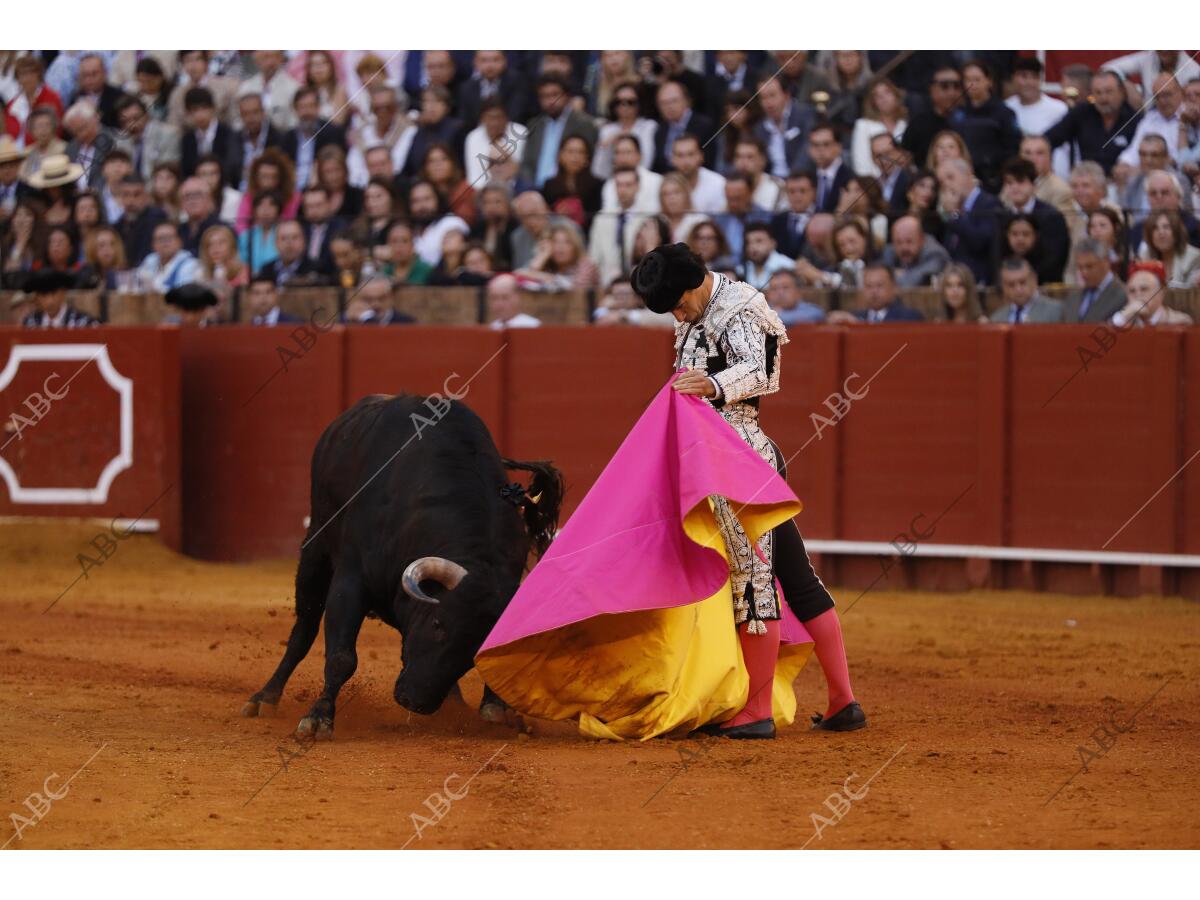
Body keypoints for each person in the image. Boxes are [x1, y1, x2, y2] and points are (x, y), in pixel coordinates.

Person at [630, 242, 865, 737]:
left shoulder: (741, 306)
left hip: (740, 461)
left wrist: (711, 386)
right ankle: (844, 701)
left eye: (678, 304)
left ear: (694, 283)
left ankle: (757, 711)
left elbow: (760, 371)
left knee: (754, 579)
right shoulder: (693, 311)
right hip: (717, 459)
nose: (677, 314)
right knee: (795, 577)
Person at [829, 261, 924, 323]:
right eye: (868, 286)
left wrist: (859, 326)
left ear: (894, 288)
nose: (874, 291)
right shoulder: (855, 316)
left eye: (880, 286)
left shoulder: (910, 317)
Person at [1112, 259, 1194, 327]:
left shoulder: (1180, 322)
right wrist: (1122, 317)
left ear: (1161, 292)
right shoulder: (1124, 320)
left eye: (1144, 289)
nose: (1138, 295)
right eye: (1132, 291)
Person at [1065, 238, 1127, 323]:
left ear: (1106, 262)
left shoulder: (1123, 295)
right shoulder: (1073, 296)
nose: (1084, 272)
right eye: (1080, 267)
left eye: (1089, 266)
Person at [988, 256, 1065, 323]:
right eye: (1011, 285)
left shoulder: (1055, 311)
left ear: (1034, 280)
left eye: (1023, 282)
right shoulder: (997, 318)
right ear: (1003, 287)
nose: (1018, 289)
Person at [881, 214, 950, 287]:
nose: (904, 247)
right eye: (899, 242)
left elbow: (911, 283)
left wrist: (897, 274)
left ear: (922, 239)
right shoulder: (889, 251)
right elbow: (878, 278)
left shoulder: (936, 254)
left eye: (909, 241)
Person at [21, 268, 98, 327]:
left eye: (54, 293)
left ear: (63, 293)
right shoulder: (30, 323)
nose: (49, 301)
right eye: (44, 295)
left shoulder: (83, 323)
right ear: (37, 297)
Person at [138, 220, 201, 292]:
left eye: (169, 238)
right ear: (153, 244)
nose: (165, 242)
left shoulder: (191, 264)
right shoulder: (150, 260)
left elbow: (183, 293)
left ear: (179, 242)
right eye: (160, 239)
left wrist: (153, 287)